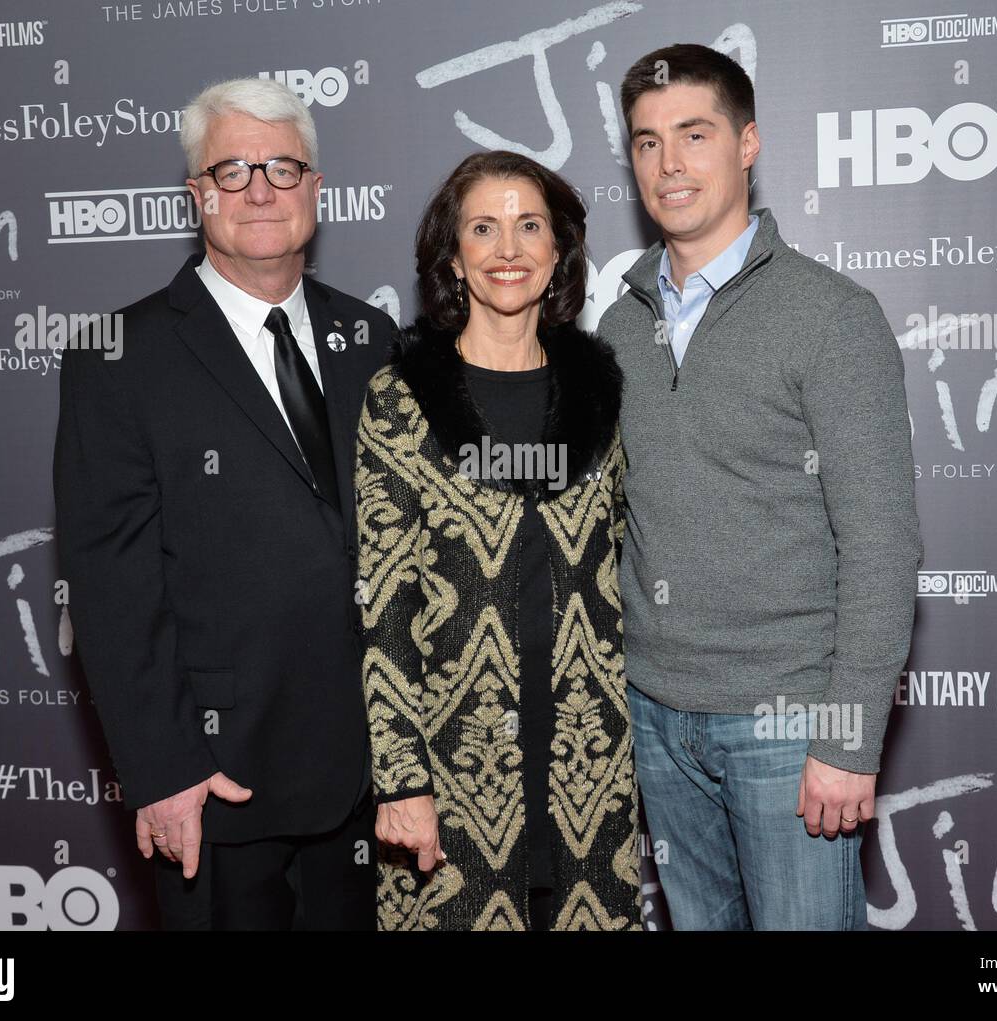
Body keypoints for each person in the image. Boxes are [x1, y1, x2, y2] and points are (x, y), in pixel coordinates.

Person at [53, 77, 395, 929]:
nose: (260, 191)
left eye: (284, 167)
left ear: (317, 190)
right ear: (196, 195)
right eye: (233, 170)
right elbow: (110, 588)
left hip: (371, 780)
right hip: (218, 783)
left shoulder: (375, 342)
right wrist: (163, 771)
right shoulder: (118, 357)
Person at [598, 44, 923, 929]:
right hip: (656, 714)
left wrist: (848, 740)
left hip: (788, 721)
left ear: (747, 145)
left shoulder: (831, 316)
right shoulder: (618, 324)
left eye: (694, 135)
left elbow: (883, 546)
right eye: (646, 141)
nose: (669, 164)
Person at [354, 150, 641, 930]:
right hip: (452, 769)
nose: (507, 249)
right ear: (453, 256)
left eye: (528, 227)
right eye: (483, 228)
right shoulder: (401, 398)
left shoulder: (604, 393)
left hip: (595, 765)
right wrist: (401, 777)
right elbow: (383, 604)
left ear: (558, 253)